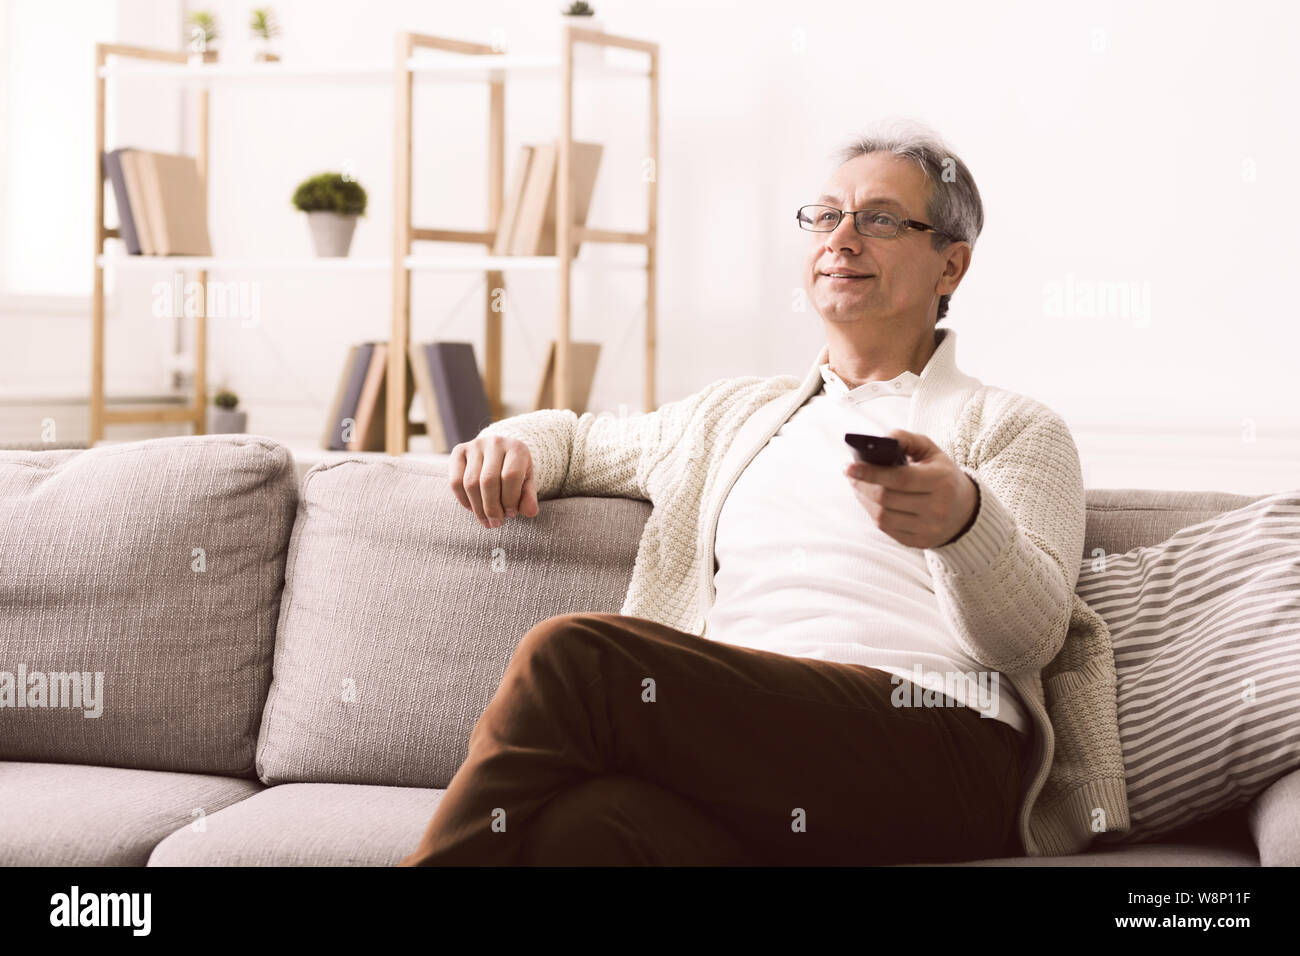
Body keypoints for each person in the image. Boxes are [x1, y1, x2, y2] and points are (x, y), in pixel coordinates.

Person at [399, 120, 1129, 866]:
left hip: (939, 748)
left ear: (951, 266)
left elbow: (1033, 638)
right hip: (751, 755)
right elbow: (582, 441)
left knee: (573, 656)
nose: (840, 238)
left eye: (879, 219)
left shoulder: (1014, 427)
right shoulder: (731, 416)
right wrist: (513, 441)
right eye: (825, 215)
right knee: (588, 827)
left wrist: (963, 524)